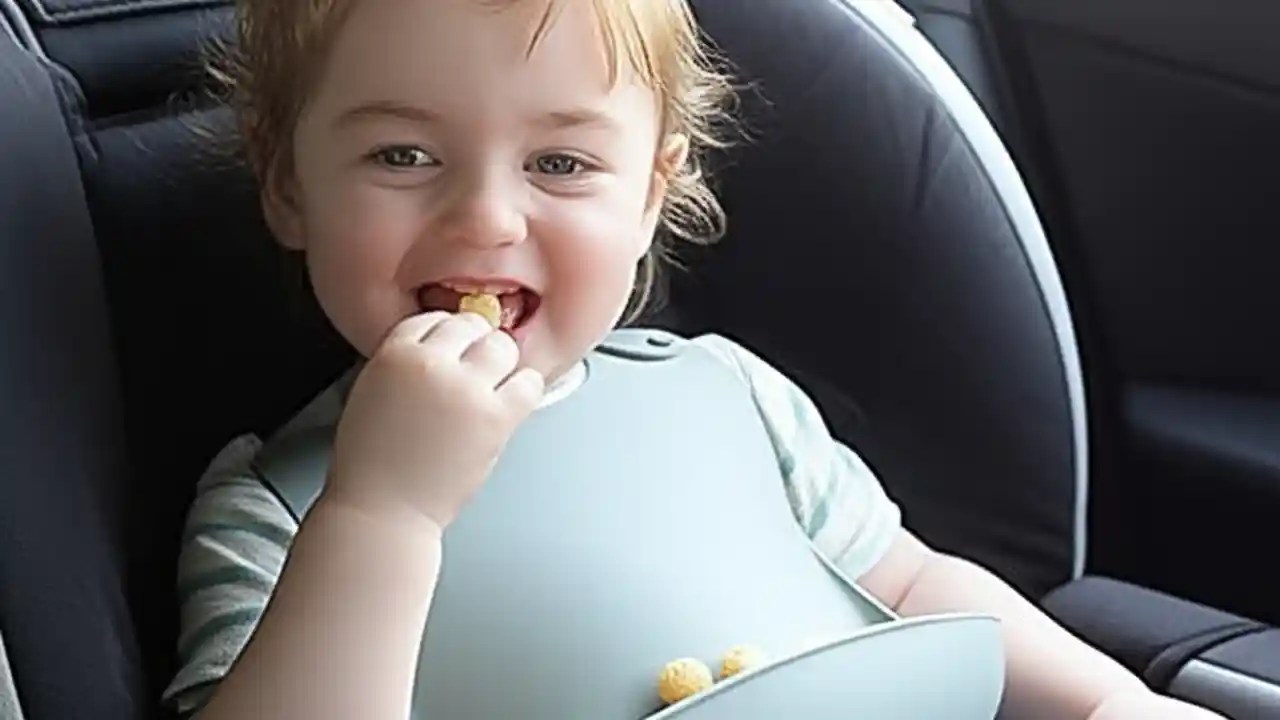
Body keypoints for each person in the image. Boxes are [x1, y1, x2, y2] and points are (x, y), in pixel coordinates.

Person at [162, 1, 1225, 718]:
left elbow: (905, 582)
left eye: (560, 162)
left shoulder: (727, 393)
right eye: (402, 155)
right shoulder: (283, 508)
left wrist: (1108, 702)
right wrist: (384, 512)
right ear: (288, 187)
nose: (485, 219)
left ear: (651, 196)